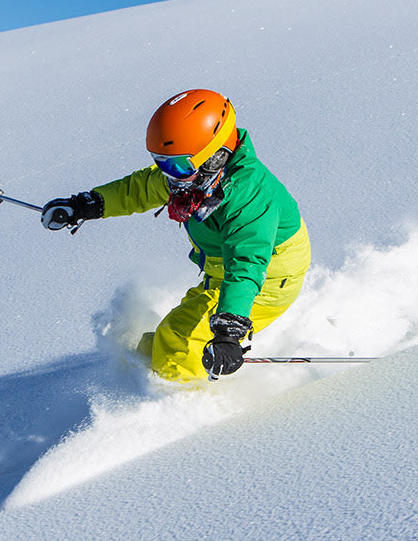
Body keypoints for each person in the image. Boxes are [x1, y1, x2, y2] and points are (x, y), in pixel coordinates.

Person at [41, 89, 311, 381]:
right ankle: (144, 375)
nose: (169, 175)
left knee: (178, 344)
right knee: (165, 339)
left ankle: (182, 406)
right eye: (162, 162)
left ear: (215, 156)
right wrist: (88, 205)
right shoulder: (193, 180)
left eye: (177, 165)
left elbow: (247, 266)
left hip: (265, 282)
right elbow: (140, 188)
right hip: (224, 275)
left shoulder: (250, 197)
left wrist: (228, 332)